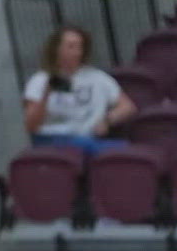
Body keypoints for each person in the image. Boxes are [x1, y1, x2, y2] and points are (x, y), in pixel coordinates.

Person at [23, 26, 133, 157]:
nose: (76, 52)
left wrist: (107, 120)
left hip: (87, 137)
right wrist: (46, 94)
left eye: (79, 47)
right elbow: (31, 125)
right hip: (51, 137)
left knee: (127, 150)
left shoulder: (98, 77)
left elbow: (127, 106)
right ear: (57, 49)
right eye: (70, 47)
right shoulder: (40, 80)